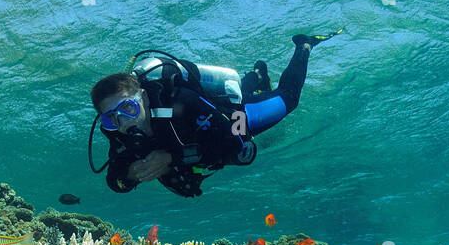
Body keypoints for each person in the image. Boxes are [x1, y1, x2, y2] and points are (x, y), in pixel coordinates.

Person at [90, 32, 342, 197]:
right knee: (244, 93)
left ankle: (305, 45)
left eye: (129, 109)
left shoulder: (181, 101)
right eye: (112, 118)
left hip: (234, 118)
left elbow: (234, 142)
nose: (124, 123)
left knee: (288, 99)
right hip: (211, 122)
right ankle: (257, 75)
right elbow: (114, 179)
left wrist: (169, 157)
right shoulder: (116, 131)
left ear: (143, 97)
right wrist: (132, 172)